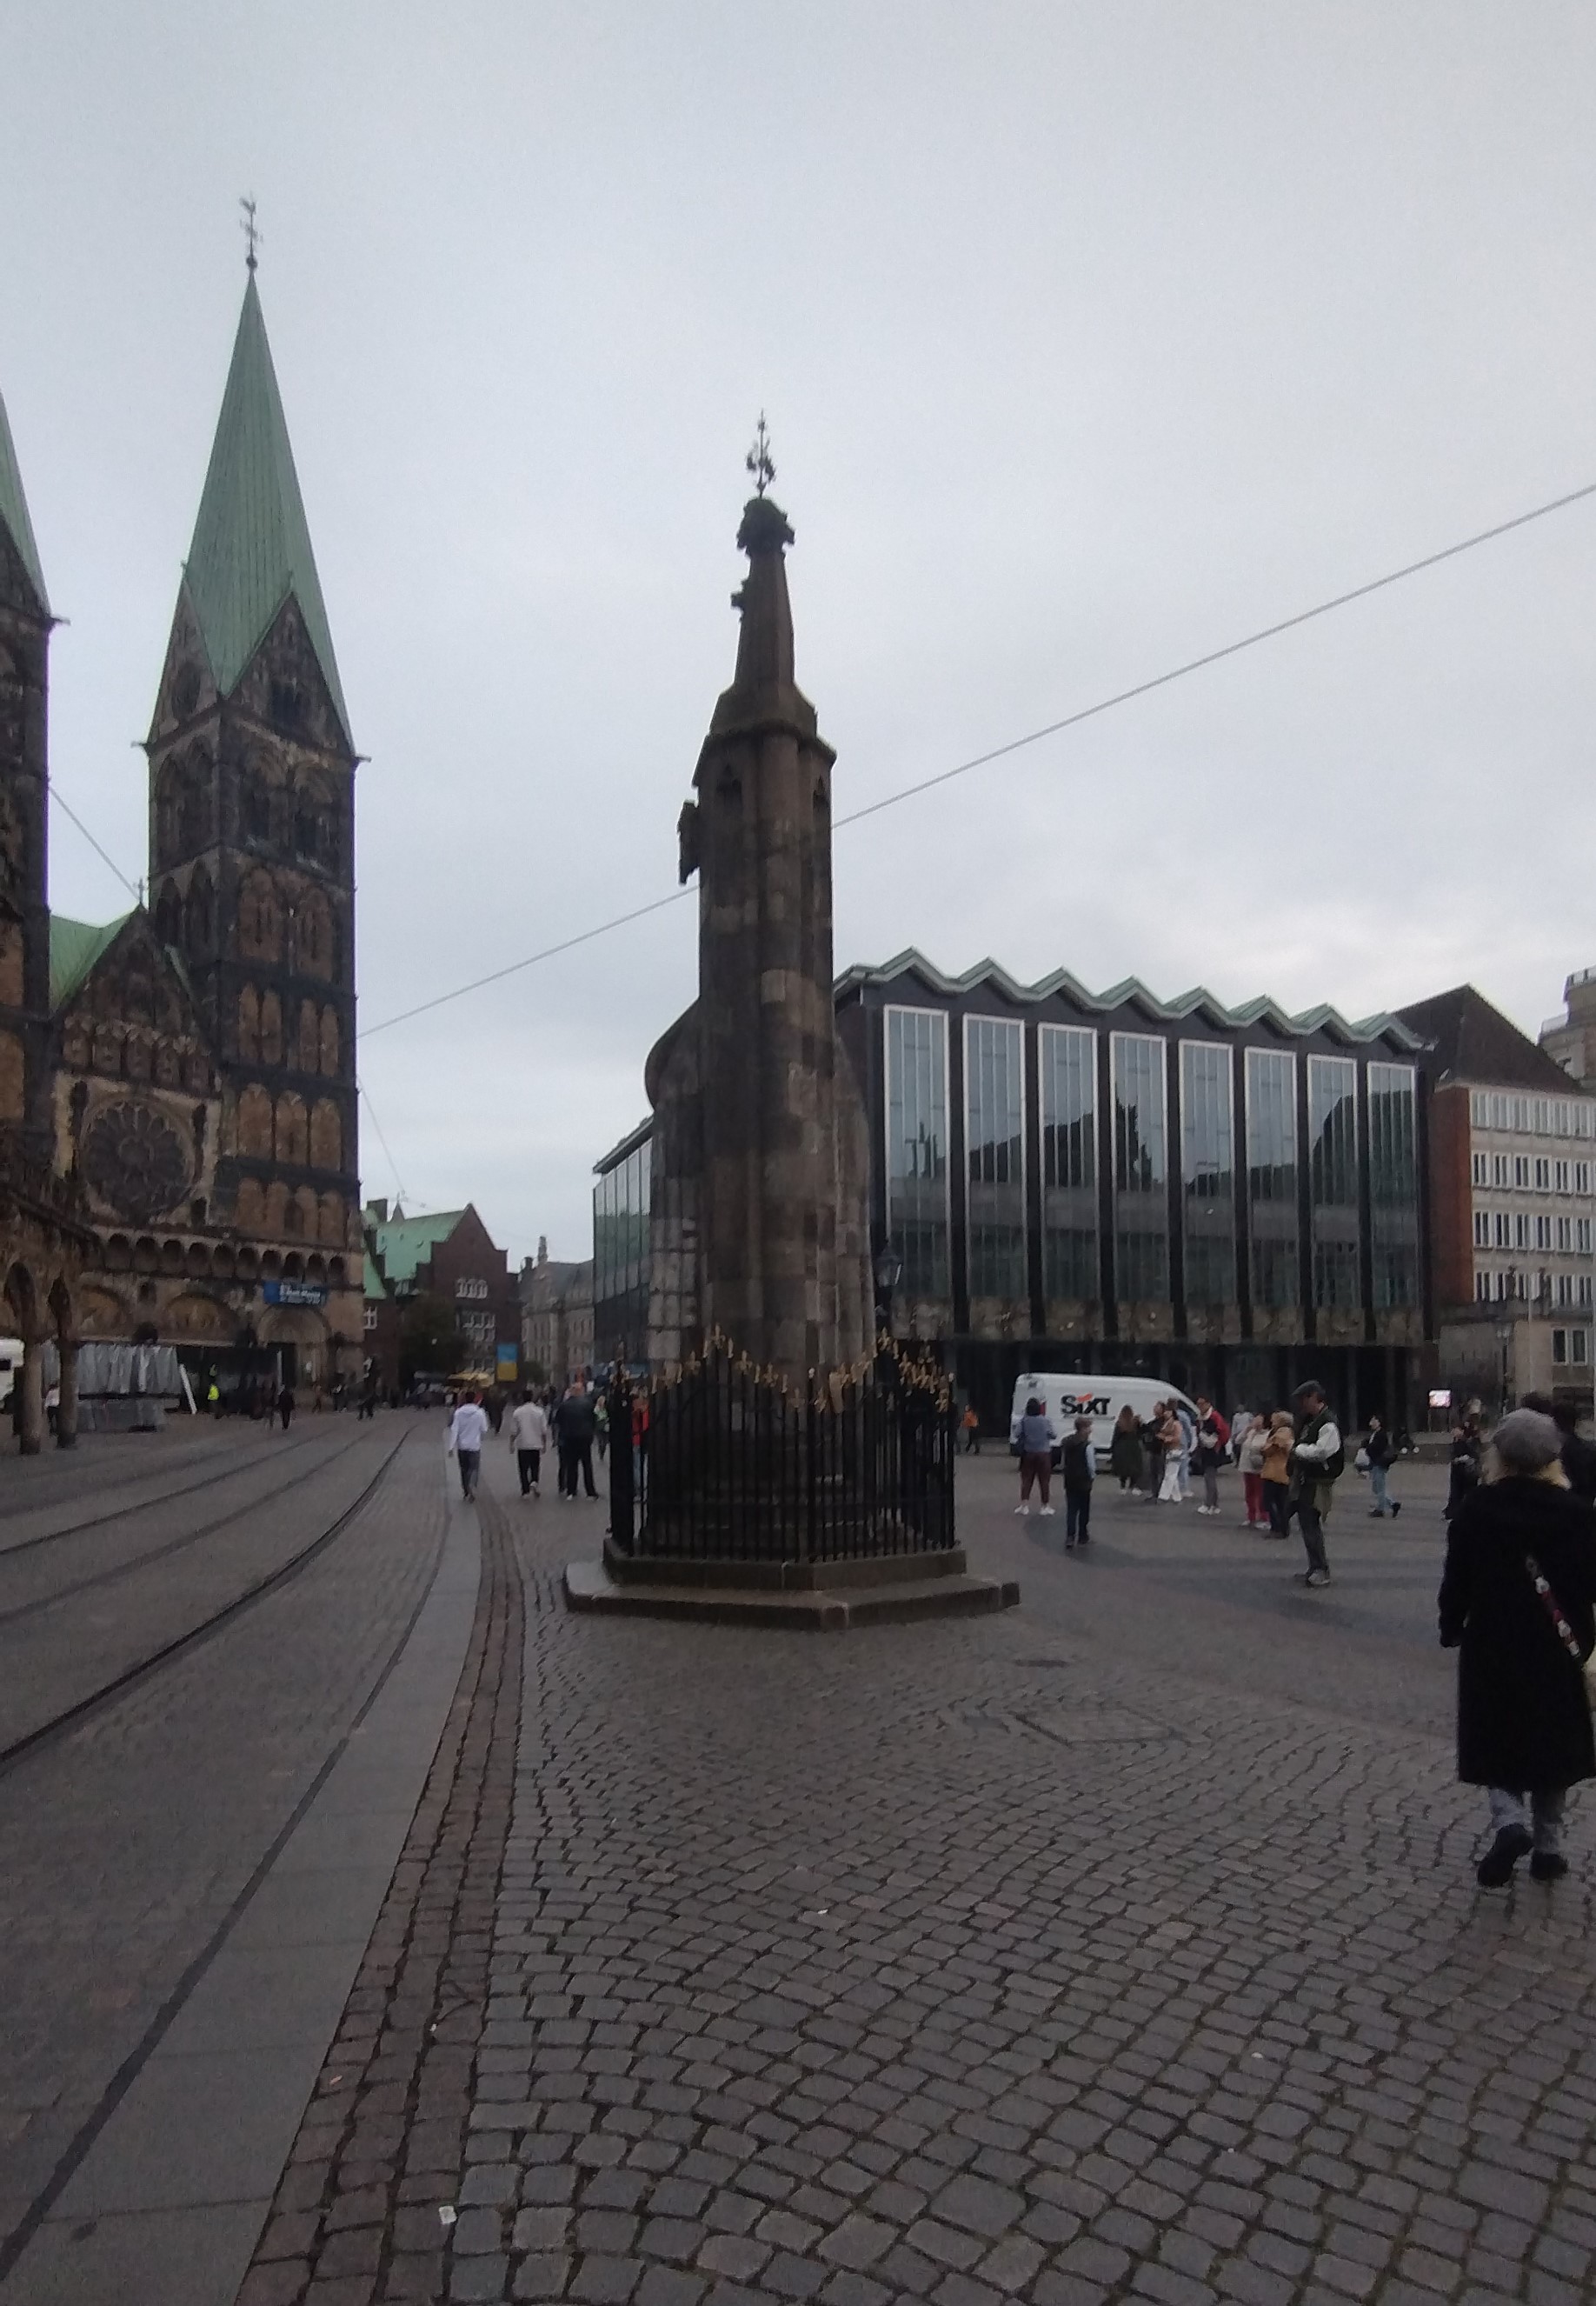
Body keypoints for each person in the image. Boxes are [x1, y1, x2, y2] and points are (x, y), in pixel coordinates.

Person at [1439, 1407, 1595, 1887]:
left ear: (1499, 1454)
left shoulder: (1478, 1508)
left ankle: (1510, 1824)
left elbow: (1456, 1577)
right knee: (1551, 1743)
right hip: (1559, 1641)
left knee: (1497, 1731)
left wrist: (1451, 1624)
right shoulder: (1576, 1513)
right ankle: (1548, 1849)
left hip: (1494, 1639)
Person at [1288, 1379, 1343, 1586]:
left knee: (1311, 1524)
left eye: (1305, 1398)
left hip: (1318, 1481)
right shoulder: (1312, 1420)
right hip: (1308, 1479)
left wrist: (1298, 1451)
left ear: (1314, 1397)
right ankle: (1314, 1566)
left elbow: (1323, 1451)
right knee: (1306, 1524)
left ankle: (1321, 1568)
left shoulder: (1327, 1422)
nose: (1302, 1403)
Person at [1011, 1394, 1057, 1517]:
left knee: (1027, 1480)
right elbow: (1054, 1435)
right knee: (1044, 1481)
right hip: (1044, 1453)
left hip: (1029, 1453)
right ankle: (1045, 1506)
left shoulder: (1024, 1421)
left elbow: (1016, 1434)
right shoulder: (1046, 1420)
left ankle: (1024, 1506)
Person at [555, 1382, 599, 1499]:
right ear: (581, 1392)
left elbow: (558, 1421)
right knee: (587, 1465)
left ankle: (571, 1490)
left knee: (571, 1465)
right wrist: (591, 1432)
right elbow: (594, 1419)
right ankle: (590, 1491)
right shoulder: (588, 1404)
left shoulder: (564, 1405)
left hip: (570, 1438)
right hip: (585, 1438)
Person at [448, 1389, 489, 1501]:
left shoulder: (459, 1412)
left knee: (464, 1469)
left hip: (462, 1446)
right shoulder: (480, 1412)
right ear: (475, 1399)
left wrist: (451, 1447)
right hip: (475, 1446)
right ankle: (472, 1485)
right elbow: (484, 1429)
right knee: (474, 1468)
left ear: (465, 1399)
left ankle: (466, 1491)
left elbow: (454, 1429)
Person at [1061, 1416, 1095, 1546]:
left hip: (1070, 1480)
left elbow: (1063, 1460)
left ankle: (1070, 1536)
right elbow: (1091, 1465)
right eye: (1088, 1428)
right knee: (1084, 1510)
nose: (1090, 1430)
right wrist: (1092, 1477)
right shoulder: (1087, 1445)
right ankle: (1082, 1535)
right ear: (1082, 1429)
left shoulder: (1067, 1442)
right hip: (1084, 1481)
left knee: (1071, 1509)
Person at [1259, 1411, 1294, 1536]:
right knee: (1279, 1502)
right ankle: (1282, 1528)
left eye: (1275, 1420)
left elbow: (1269, 1450)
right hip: (1278, 1471)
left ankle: (1278, 1527)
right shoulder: (1283, 1432)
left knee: (1270, 1501)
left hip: (1276, 1472)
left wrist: (1264, 1449)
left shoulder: (1282, 1433)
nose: (1272, 1422)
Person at [509, 1390, 549, 1496]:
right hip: (536, 1444)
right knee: (535, 1466)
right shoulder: (539, 1411)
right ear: (532, 1398)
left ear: (522, 1398)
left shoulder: (518, 1412)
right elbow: (544, 1430)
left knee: (523, 1469)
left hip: (523, 1444)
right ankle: (534, 1482)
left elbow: (514, 1431)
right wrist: (544, 1444)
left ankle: (525, 1490)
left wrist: (511, 1443)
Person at [1193, 1397, 1229, 1514]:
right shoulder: (1200, 1418)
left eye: (1202, 1404)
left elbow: (1223, 1432)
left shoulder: (1214, 1417)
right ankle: (1213, 1504)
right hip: (1205, 1449)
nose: (1200, 1407)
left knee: (1210, 1477)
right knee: (1209, 1477)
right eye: (1198, 1404)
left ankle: (1209, 1503)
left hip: (1213, 1450)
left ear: (1208, 1404)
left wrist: (1217, 1444)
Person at [1364, 1413, 1401, 1519]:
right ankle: (1392, 1504)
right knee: (1377, 1488)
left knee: (1379, 1487)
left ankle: (1381, 1509)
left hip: (1379, 1463)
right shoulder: (1376, 1433)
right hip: (1377, 1463)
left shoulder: (1381, 1434)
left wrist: (1368, 1447)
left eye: (1373, 1420)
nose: (1371, 1422)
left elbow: (1376, 1448)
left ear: (1378, 1422)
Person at [1446, 1420, 1483, 1521]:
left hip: (1467, 1470)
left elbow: (1476, 1454)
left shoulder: (1470, 1441)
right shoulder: (1458, 1442)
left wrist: (1466, 1459)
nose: (1455, 1433)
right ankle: (1454, 1510)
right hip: (1460, 1469)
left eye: (1457, 1430)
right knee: (1458, 1490)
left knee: (1465, 1490)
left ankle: (1460, 1510)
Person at [1238, 1411, 1270, 1528]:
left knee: (1261, 1494)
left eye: (1259, 1420)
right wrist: (1246, 1430)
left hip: (1259, 1468)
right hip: (1247, 1466)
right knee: (1249, 1493)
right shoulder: (1251, 1432)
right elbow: (1238, 1440)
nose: (1256, 1422)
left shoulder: (1267, 1434)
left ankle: (1264, 1517)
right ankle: (1251, 1517)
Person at [1109, 1404, 1144, 1495]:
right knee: (1134, 1468)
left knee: (1123, 1469)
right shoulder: (1135, 1423)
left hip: (1122, 1448)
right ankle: (1132, 1487)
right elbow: (1141, 1435)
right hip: (1133, 1447)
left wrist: (1112, 1449)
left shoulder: (1120, 1423)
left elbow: (1115, 1437)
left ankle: (1122, 1487)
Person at [1154, 1403, 1185, 1503]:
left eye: (1168, 1411)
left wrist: (1166, 1438)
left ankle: (1164, 1496)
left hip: (1175, 1450)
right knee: (1172, 1474)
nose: (1166, 1413)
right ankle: (1177, 1496)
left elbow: (1177, 1437)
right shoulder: (1167, 1423)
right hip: (1168, 1450)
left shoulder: (1176, 1423)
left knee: (1169, 1474)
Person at [1174, 1399, 1196, 1497]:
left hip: (1171, 1442)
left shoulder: (1166, 1415)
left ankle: (1173, 1489)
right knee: (1183, 1467)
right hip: (1182, 1441)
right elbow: (1187, 1428)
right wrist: (1190, 1440)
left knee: (1172, 1466)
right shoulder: (1182, 1415)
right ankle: (1183, 1489)